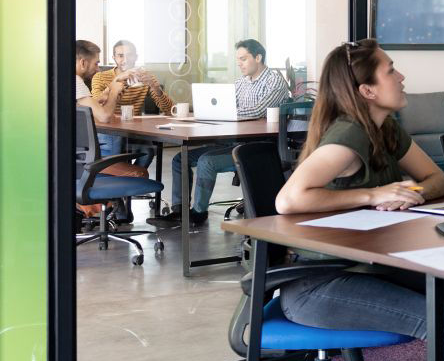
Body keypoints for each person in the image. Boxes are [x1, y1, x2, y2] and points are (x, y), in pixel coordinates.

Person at [275, 39, 444, 361]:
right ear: (367, 90)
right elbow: (288, 200)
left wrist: (414, 192)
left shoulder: (385, 129)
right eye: (391, 70)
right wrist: (372, 194)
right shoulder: (348, 135)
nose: (402, 76)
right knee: (437, 318)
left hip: (367, 269)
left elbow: (437, 179)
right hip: (318, 283)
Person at [165, 38, 290, 224]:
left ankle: (198, 213)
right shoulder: (241, 82)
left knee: (206, 161)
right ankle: (180, 211)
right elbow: (229, 108)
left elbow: (258, 110)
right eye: (237, 59)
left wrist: (225, 113)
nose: (239, 63)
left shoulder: (274, 81)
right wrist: (212, 114)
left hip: (257, 146)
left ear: (258, 57)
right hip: (233, 140)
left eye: (243, 58)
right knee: (179, 159)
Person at [74, 40, 148, 219]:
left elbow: (91, 108)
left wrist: (105, 95)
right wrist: (114, 91)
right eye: (96, 63)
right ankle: (113, 208)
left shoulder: (63, 79)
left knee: (141, 150)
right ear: (83, 63)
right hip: (83, 164)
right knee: (140, 173)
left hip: (74, 161)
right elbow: (105, 117)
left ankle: (111, 207)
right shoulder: (76, 81)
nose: (98, 68)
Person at [90, 39, 174, 167]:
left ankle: (133, 179)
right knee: (116, 146)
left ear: (136, 57)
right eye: (120, 55)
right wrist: (117, 82)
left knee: (148, 151)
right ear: (114, 58)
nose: (125, 59)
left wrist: (156, 89)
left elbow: (169, 110)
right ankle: (121, 178)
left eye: (129, 55)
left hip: (131, 130)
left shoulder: (145, 77)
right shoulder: (100, 77)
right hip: (108, 129)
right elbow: (97, 105)